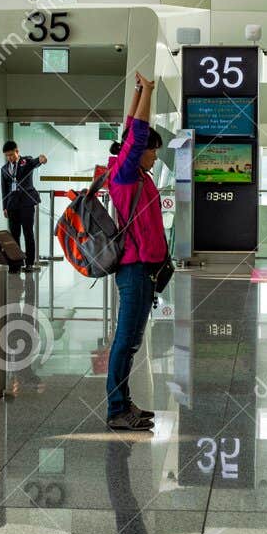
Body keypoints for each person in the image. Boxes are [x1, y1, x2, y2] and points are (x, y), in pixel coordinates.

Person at [104, 72, 167, 432]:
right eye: (153, 149)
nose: (155, 155)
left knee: (130, 342)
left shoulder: (134, 174)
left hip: (143, 268)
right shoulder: (126, 175)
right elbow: (137, 133)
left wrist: (139, 92)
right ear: (139, 151)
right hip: (135, 268)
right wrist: (151, 92)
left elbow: (130, 131)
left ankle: (124, 403)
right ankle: (116, 409)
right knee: (126, 342)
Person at [1, 141, 47, 268]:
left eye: (11, 154)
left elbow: (35, 162)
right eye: (7, 156)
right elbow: (4, 189)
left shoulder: (26, 161)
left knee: (28, 233)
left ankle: (29, 263)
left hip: (26, 203)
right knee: (14, 235)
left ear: (17, 151)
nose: (9, 158)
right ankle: (16, 263)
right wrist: (4, 207)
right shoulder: (4, 169)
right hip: (12, 205)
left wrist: (41, 159)